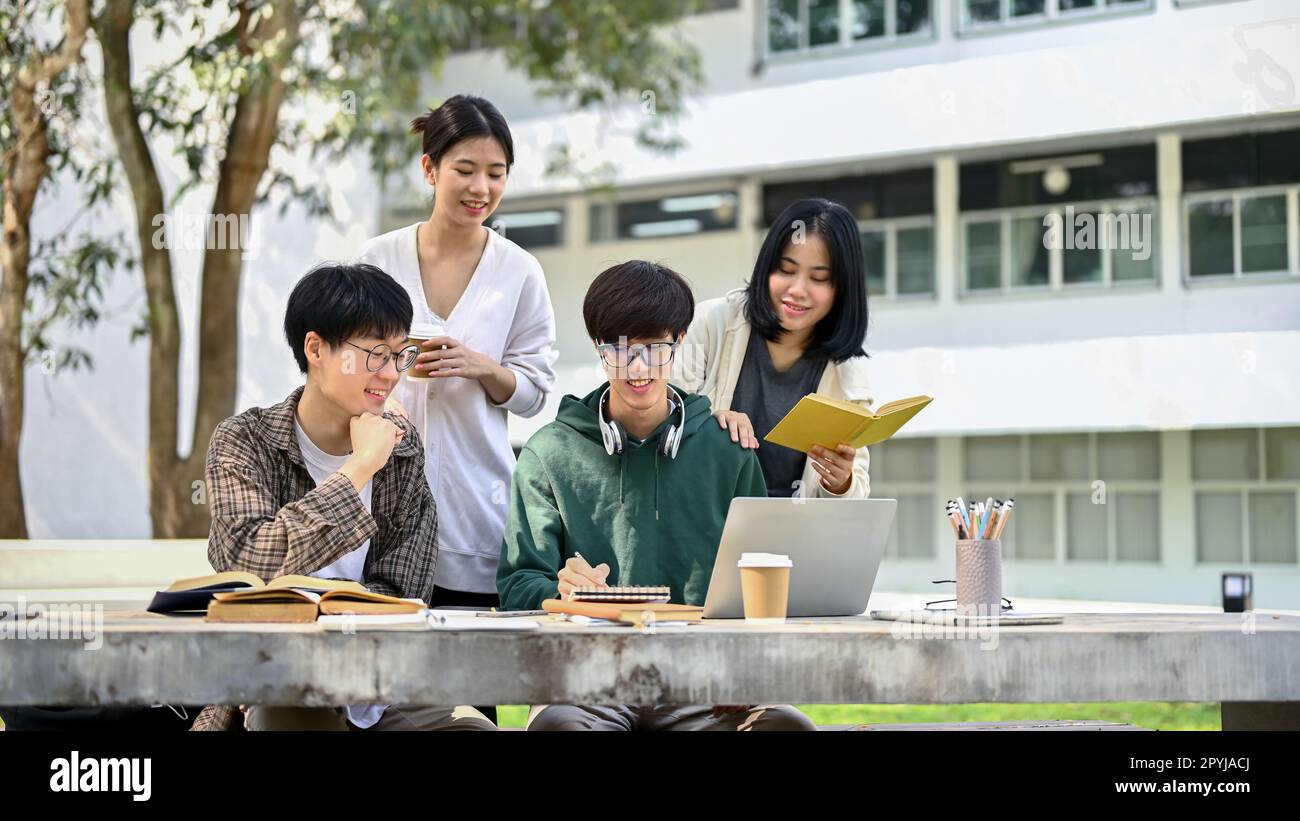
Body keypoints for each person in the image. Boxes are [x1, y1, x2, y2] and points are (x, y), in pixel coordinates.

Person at [498, 260, 816, 732]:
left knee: (789, 726)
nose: (639, 367)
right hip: (588, 681)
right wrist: (559, 592)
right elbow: (517, 584)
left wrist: (745, 671)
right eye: (620, 350)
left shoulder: (730, 452)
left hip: (705, 682)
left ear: (681, 342)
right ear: (598, 350)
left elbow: (759, 583)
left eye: (655, 348)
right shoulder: (547, 453)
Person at [190, 262, 495, 732]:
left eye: (400, 355)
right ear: (316, 348)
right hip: (278, 680)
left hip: (379, 684)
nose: (392, 374)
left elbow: (405, 591)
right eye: (376, 354)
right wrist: (358, 468)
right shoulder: (245, 440)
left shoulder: (402, 451)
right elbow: (250, 558)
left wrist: (311, 606)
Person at [358, 94, 556, 614]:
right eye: (465, 170)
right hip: (382, 506)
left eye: (497, 173)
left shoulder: (518, 271)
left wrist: (484, 368)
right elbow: (344, 366)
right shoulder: (378, 261)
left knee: (473, 686)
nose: (481, 188)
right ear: (430, 168)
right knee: (387, 679)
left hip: (477, 508)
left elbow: (535, 395)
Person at [674, 198, 873, 499]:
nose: (797, 290)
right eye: (785, 270)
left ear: (842, 289)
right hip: (705, 529)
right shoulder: (711, 322)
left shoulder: (847, 374)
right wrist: (708, 424)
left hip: (795, 537)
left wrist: (840, 482)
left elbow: (855, 497)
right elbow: (660, 420)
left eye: (819, 278)